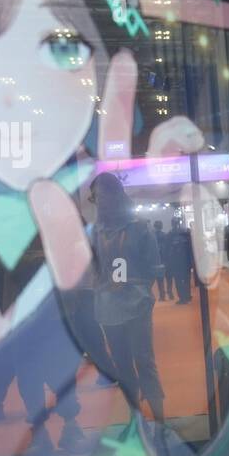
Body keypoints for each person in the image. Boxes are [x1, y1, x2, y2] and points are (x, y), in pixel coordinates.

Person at [89, 171, 166, 424]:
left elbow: (154, 268)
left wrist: (131, 284)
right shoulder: (95, 233)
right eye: (95, 198)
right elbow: (93, 269)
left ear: (114, 195)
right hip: (108, 309)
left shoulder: (139, 227)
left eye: (100, 196)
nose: (98, 202)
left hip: (136, 304)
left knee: (144, 361)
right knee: (122, 367)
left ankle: (160, 422)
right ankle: (136, 422)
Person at [152, 219, 170, 301]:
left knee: (160, 280)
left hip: (157, 260)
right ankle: (170, 293)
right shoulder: (165, 235)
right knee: (169, 277)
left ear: (155, 227)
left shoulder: (153, 236)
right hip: (165, 259)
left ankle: (162, 295)